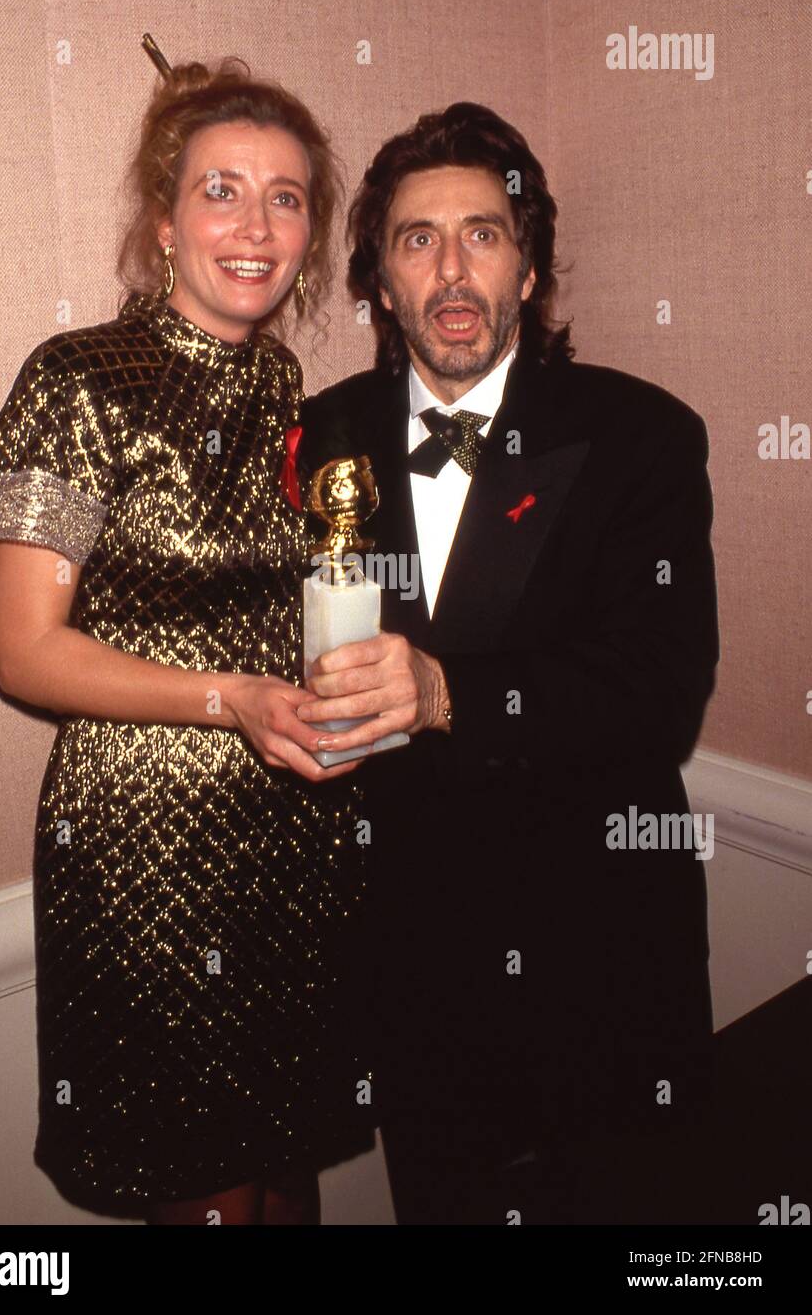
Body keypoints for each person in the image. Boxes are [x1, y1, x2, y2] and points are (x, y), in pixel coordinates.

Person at [297, 101, 719, 1224]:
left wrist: (446, 693)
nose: (451, 269)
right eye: (417, 240)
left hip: (600, 960)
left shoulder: (642, 435)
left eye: (482, 234)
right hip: (411, 972)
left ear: (528, 271)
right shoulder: (322, 435)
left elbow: (662, 688)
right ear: (381, 284)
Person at [0, 40, 372, 1225]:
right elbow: (25, 654)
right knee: (203, 1183)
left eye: (286, 197)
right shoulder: (77, 379)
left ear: (310, 233)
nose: (255, 224)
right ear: (164, 222)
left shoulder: (289, 389)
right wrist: (230, 696)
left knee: (290, 1166)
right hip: (146, 844)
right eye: (222, 190)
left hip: (296, 829)